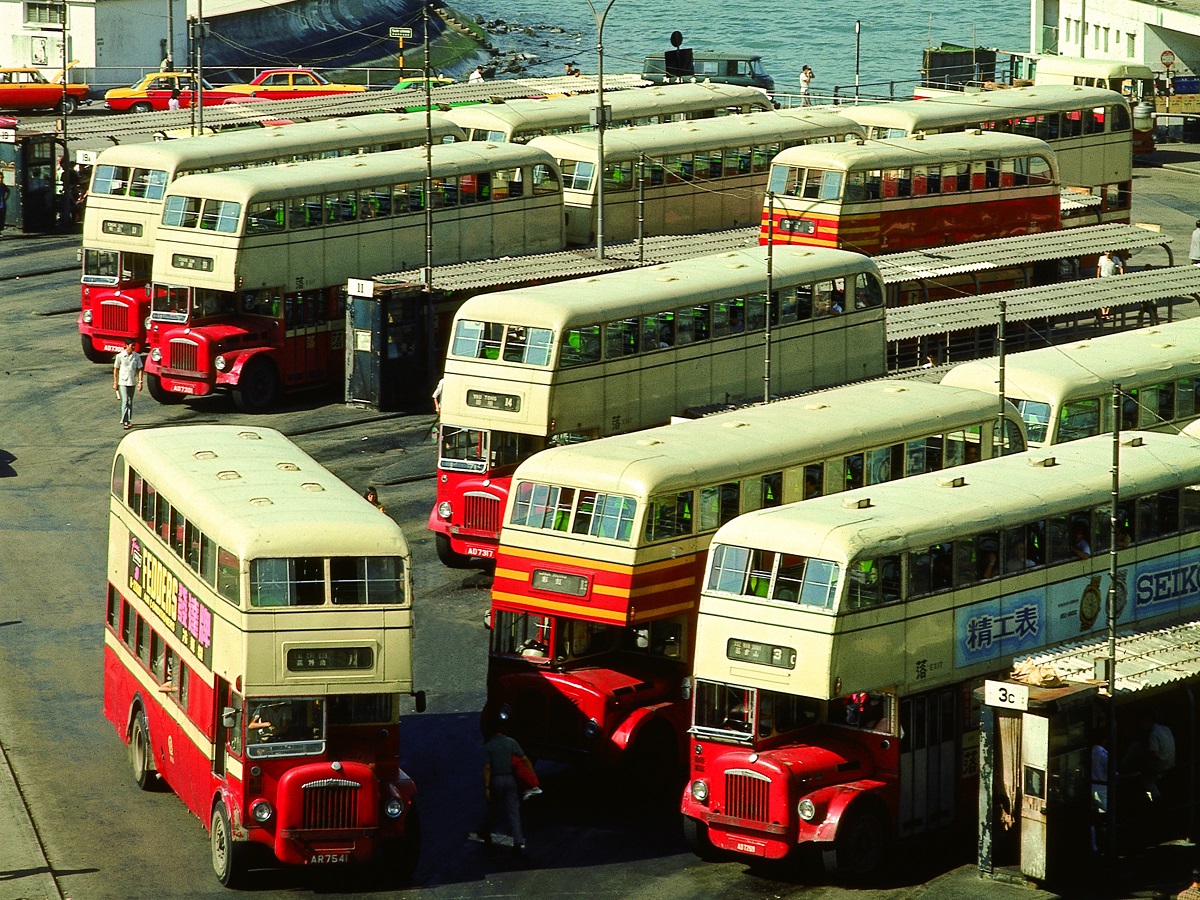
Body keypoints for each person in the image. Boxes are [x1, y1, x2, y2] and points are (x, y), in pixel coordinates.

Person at [480, 720, 533, 855]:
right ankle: (518, 841)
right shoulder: (511, 742)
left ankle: (486, 831)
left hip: (496, 780)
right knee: (513, 810)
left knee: (493, 807)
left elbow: (487, 767)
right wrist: (532, 777)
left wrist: (487, 787)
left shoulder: (489, 746)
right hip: (510, 779)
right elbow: (524, 759)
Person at [112, 337, 143, 429]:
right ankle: (124, 421)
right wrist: (115, 382)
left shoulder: (136, 356)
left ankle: (128, 419)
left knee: (130, 401)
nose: (133, 347)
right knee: (125, 401)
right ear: (126, 345)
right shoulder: (120, 356)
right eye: (131, 345)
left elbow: (140, 369)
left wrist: (140, 382)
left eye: (134, 345)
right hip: (123, 382)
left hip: (132, 382)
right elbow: (116, 370)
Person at [1095, 250, 1122, 321]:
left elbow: (1120, 267)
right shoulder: (1101, 258)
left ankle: (1107, 313)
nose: (1109, 253)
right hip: (1103, 279)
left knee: (1110, 297)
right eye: (1107, 252)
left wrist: (1121, 277)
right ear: (1105, 252)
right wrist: (1097, 278)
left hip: (1111, 279)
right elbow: (1099, 268)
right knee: (1102, 297)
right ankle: (1103, 313)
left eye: (1110, 252)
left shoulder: (1115, 259)